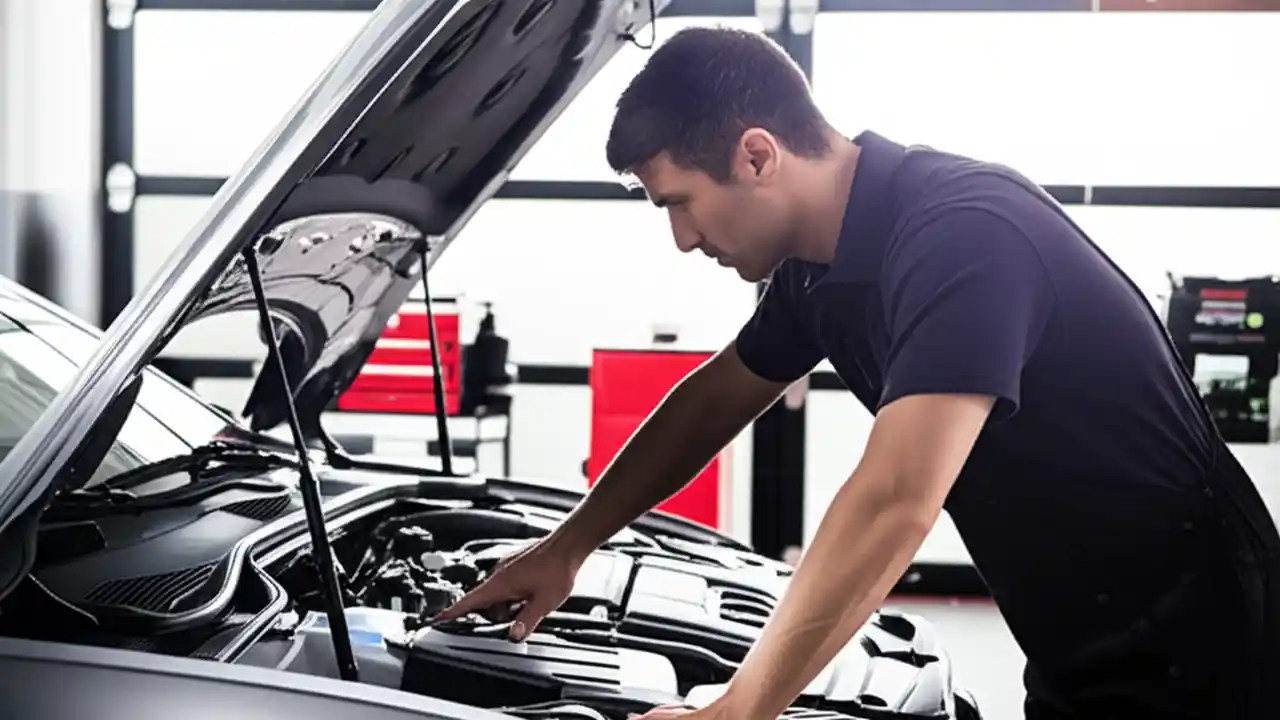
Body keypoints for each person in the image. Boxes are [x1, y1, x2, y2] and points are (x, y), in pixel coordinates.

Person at [433, 27, 1280, 719]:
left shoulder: (963, 236)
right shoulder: (815, 266)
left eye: (679, 203)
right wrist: (570, 545)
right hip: (1076, 636)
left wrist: (742, 709)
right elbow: (715, 399)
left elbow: (894, 499)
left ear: (758, 156)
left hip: (1208, 647)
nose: (683, 240)